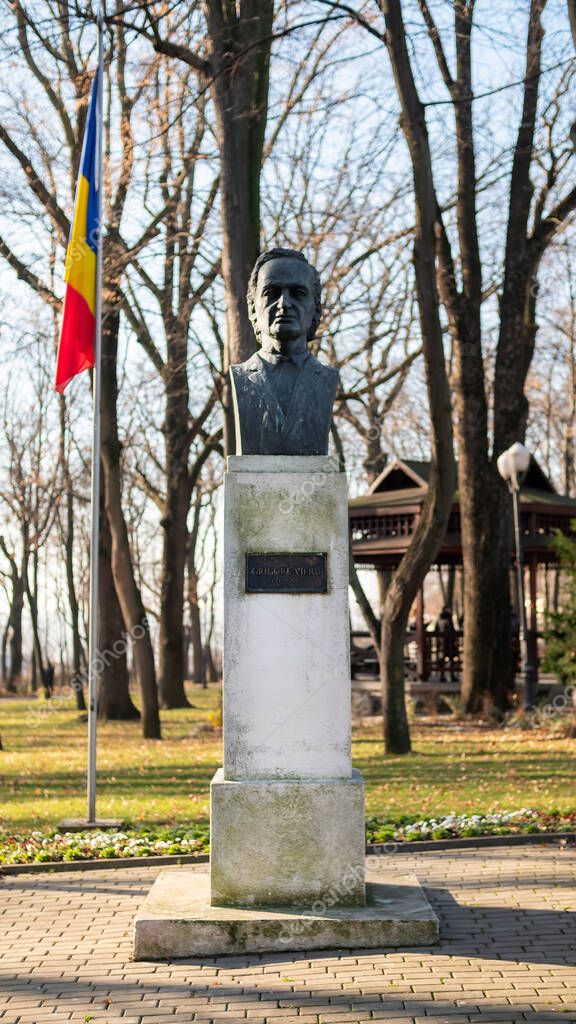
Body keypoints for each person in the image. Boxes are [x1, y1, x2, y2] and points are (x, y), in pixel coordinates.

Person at [230, 248, 339, 456]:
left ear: (316, 308)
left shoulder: (326, 379)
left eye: (298, 293)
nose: (284, 304)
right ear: (253, 307)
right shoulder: (241, 379)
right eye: (272, 293)